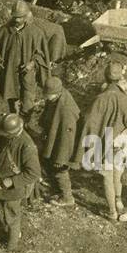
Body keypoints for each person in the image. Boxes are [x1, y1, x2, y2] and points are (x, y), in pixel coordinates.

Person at [79, 62, 127, 223]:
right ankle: (119, 203)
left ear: (106, 77)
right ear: (121, 77)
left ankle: (112, 212)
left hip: (110, 142)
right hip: (125, 141)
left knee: (107, 176)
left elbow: (90, 120)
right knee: (117, 175)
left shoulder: (103, 98)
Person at [0, 113, 41, 248]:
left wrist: (10, 182)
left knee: (12, 217)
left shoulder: (27, 146)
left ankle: (12, 246)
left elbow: (33, 173)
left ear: (13, 132)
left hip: (14, 188)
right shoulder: (8, 134)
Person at [38, 76, 80, 206]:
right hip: (56, 138)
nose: (45, 98)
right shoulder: (57, 97)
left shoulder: (66, 111)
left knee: (60, 169)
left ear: (56, 93)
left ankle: (67, 197)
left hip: (63, 144)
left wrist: (61, 158)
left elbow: (67, 138)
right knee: (48, 162)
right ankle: (56, 189)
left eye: (47, 95)